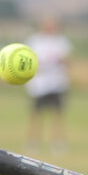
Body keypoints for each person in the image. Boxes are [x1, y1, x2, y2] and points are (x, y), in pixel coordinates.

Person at [24, 17, 71, 153]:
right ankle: (33, 142)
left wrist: (61, 60)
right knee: (36, 115)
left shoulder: (61, 41)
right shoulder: (34, 41)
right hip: (38, 85)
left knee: (57, 115)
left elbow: (67, 60)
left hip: (57, 84)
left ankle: (57, 143)